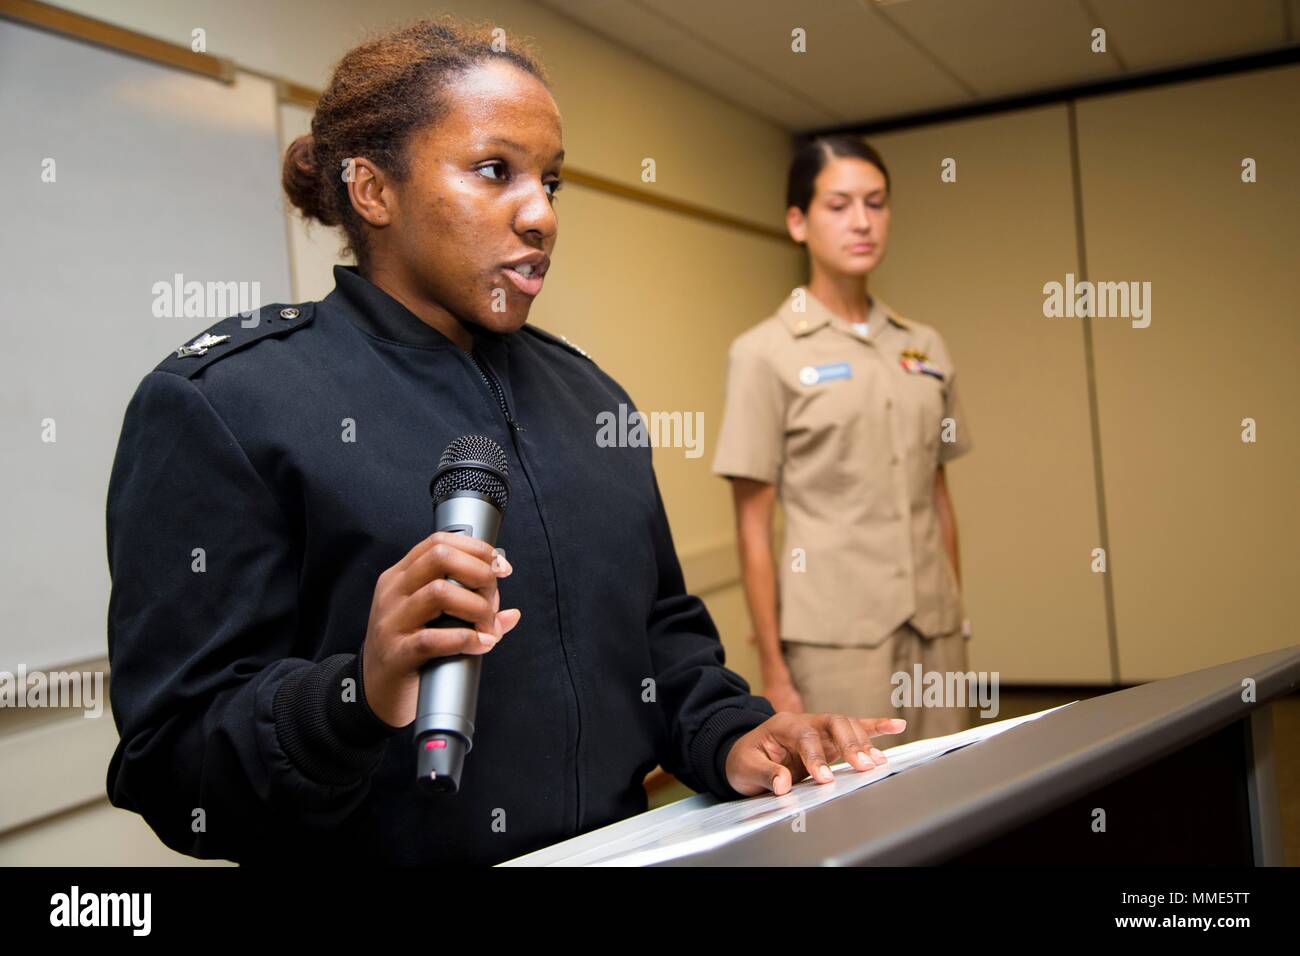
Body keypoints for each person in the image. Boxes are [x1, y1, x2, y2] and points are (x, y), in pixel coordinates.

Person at [103, 18, 905, 866]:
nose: (541, 215)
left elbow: (664, 644)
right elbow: (171, 766)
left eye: (551, 182)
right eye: (496, 171)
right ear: (373, 191)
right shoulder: (227, 403)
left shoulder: (592, 399)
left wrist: (736, 735)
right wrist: (356, 693)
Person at [712, 136, 974, 748]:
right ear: (798, 222)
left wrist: (955, 612)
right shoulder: (764, 354)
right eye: (839, 205)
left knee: (954, 793)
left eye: (876, 203)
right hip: (835, 640)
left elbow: (938, 494)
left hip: (936, 631)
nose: (862, 221)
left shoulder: (924, 346)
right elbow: (753, 525)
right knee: (860, 811)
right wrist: (775, 671)